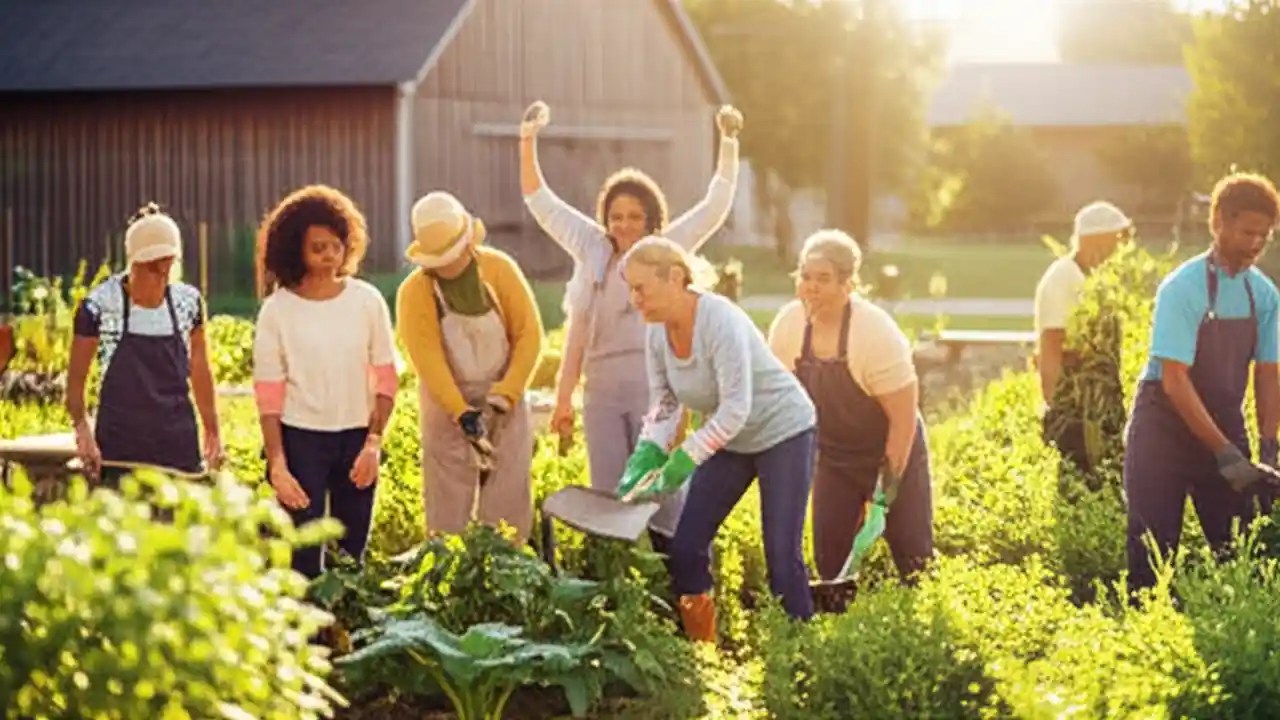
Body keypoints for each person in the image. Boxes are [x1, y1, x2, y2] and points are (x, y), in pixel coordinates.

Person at [520, 99, 742, 552]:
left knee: (660, 489)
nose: (624, 226)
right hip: (601, 390)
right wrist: (527, 140)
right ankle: (616, 583)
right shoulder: (590, 248)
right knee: (608, 494)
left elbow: (715, 205)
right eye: (616, 217)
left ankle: (676, 577)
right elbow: (541, 202)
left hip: (653, 387)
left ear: (652, 221)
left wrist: (729, 141)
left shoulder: (667, 248)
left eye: (635, 218)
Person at [616, 237, 817, 642]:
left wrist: (683, 460)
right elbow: (666, 403)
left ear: (675, 278)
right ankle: (703, 653)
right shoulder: (656, 334)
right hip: (731, 441)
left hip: (783, 430)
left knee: (781, 554)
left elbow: (735, 408)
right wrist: (647, 451)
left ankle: (798, 656)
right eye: (630, 289)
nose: (634, 299)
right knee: (687, 547)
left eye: (641, 288)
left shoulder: (719, 320)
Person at [1124, 172, 1280, 595]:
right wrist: (1224, 454)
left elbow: (1267, 373)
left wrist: (1269, 446)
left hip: (1224, 419)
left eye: (1263, 237)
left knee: (1239, 549)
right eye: (1247, 232)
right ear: (1218, 223)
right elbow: (1174, 380)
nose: (1254, 244)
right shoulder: (1182, 288)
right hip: (1165, 426)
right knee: (1152, 552)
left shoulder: (1264, 296)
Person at [767, 230, 934, 583]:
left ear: (848, 284)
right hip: (835, 457)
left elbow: (903, 420)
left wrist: (883, 493)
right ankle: (839, 627)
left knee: (914, 560)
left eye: (823, 279)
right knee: (830, 562)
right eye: (806, 277)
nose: (811, 287)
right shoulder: (789, 326)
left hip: (891, 451)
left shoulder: (875, 333)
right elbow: (782, 402)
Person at [252, 185, 398, 579]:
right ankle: (306, 637)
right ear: (294, 249)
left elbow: (386, 379)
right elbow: (268, 396)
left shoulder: (367, 301)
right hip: (300, 441)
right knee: (302, 559)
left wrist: (373, 444)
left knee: (352, 555)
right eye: (318, 247)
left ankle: (350, 636)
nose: (329, 255)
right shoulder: (277, 310)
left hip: (356, 439)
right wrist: (278, 466)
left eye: (336, 245)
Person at [396, 191, 543, 544]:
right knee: (448, 500)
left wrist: (507, 392)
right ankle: (449, 577)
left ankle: (504, 574)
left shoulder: (498, 269)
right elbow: (427, 357)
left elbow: (529, 335)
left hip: (503, 395)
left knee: (507, 494)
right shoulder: (415, 292)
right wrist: (460, 411)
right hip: (446, 400)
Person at [67, 203, 221, 486]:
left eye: (168, 266)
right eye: (154, 268)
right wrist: (83, 431)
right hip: (119, 447)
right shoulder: (99, 306)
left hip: (177, 443)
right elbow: (76, 383)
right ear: (134, 262)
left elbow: (200, 369)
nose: (162, 277)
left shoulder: (188, 303)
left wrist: (212, 429)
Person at [1035, 201, 1132, 471]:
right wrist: (1056, 409)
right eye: (1116, 240)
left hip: (1101, 406)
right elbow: (1051, 345)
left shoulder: (1098, 280)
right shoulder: (1063, 278)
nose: (1120, 249)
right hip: (1076, 405)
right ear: (1095, 241)